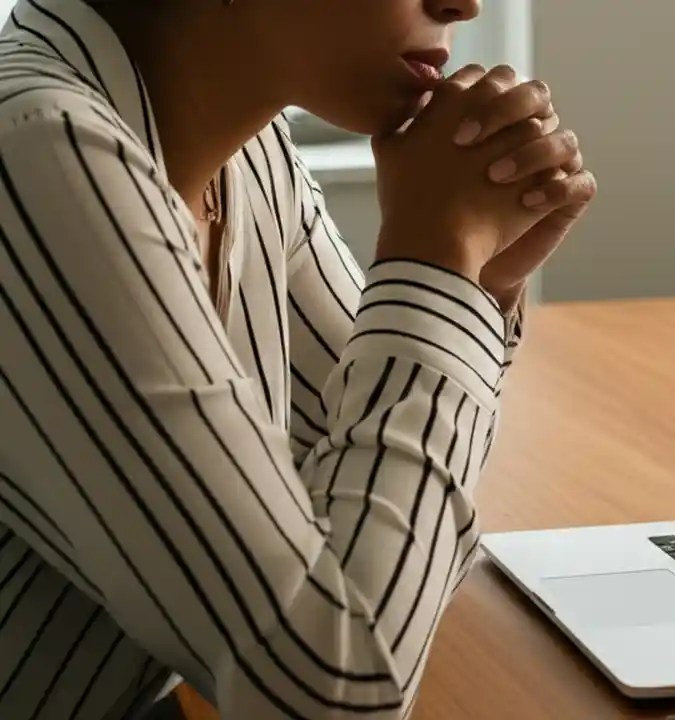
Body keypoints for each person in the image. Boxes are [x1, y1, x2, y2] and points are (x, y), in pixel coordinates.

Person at [0, 0, 596, 717]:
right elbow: (334, 691)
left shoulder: (246, 154)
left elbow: (378, 522)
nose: (462, 4)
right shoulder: (37, 153)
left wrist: (480, 282)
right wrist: (436, 266)